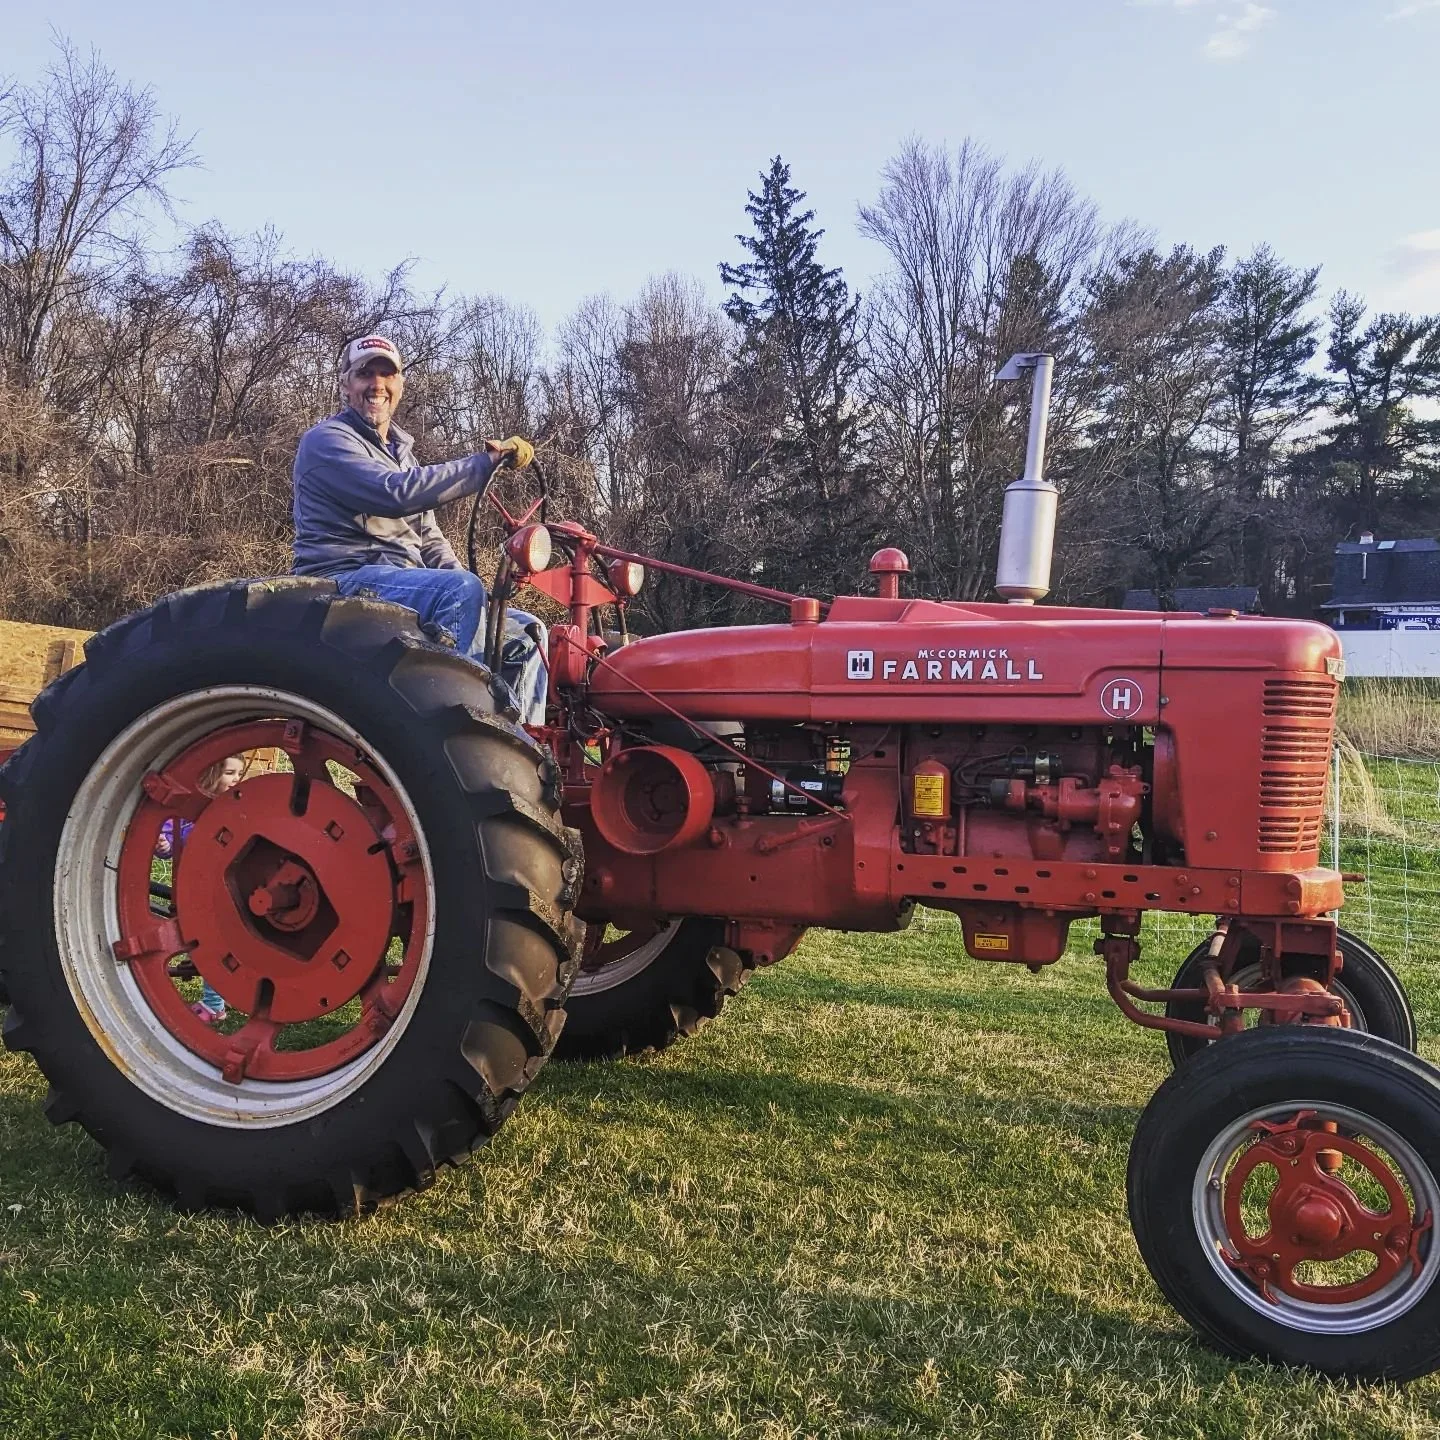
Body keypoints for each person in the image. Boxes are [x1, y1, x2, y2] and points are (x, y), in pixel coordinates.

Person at [291, 334, 548, 721]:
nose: (377, 384)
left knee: (528, 633)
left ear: (400, 384)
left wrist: (481, 601)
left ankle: (524, 741)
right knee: (459, 591)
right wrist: (484, 465)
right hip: (342, 576)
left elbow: (428, 538)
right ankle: (453, 729)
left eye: (387, 375)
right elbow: (393, 493)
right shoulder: (327, 441)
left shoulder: (402, 454)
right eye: (365, 374)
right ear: (345, 384)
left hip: (397, 579)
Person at [156, 755, 246, 1024]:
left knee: (213, 947)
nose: (236, 779)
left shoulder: (234, 807)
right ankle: (217, 1000)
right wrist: (164, 846)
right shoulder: (190, 813)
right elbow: (170, 838)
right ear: (211, 775)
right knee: (209, 946)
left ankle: (215, 1004)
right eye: (229, 773)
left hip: (222, 890)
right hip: (197, 891)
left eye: (239, 774)